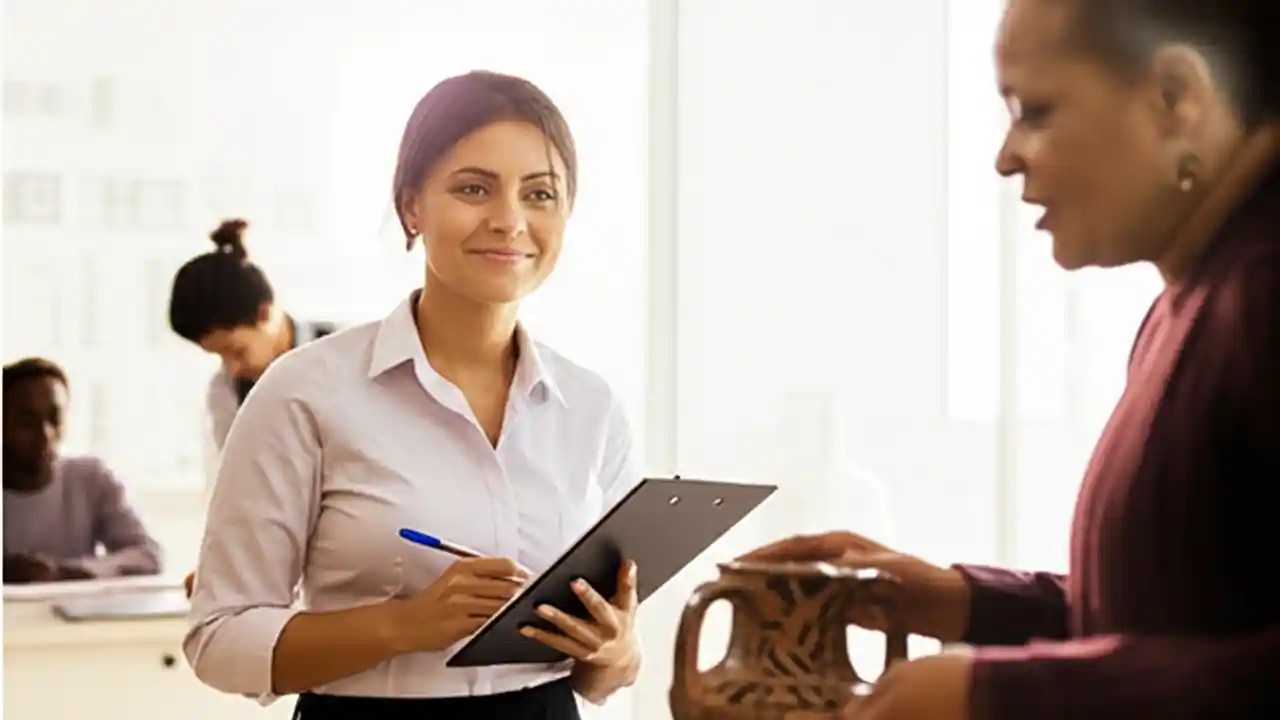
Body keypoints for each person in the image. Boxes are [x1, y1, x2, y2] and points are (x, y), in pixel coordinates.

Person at [746, 1, 1279, 718]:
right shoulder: (1189, 304)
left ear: (1176, 97)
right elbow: (1171, 626)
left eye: (1036, 111)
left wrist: (997, 694)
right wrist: (958, 601)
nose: (1005, 157)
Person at [184, 71, 643, 719]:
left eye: (539, 194)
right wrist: (407, 625)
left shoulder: (592, 409)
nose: (510, 220)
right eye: (474, 188)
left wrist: (613, 649)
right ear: (410, 206)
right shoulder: (305, 392)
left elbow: (604, 676)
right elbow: (219, 638)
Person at [168, 218, 338, 454]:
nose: (233, 369)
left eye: (236, 351)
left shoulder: (347, 356)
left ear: (265, 314)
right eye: (219, 356)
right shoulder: (226, 394)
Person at [3, 357, 163, 583]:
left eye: (55, 418)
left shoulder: (90, 478)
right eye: (27, 422)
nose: (45, 434)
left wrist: (64, 572)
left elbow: (148, 556)